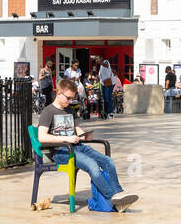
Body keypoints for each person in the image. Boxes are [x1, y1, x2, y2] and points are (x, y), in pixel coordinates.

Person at [37, 77, 136, 212]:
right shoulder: (48, 111)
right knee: (92, 165)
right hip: (61, 151)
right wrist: (67, 139)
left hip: (77, 147)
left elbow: (77, 130)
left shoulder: (70, 110)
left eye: (72, 98)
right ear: (58, 94)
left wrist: (85, 135)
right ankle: (112, 196)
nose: (70, 101)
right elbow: (42, 137)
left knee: (108, 162)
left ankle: (118, 194)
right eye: (68, 98)